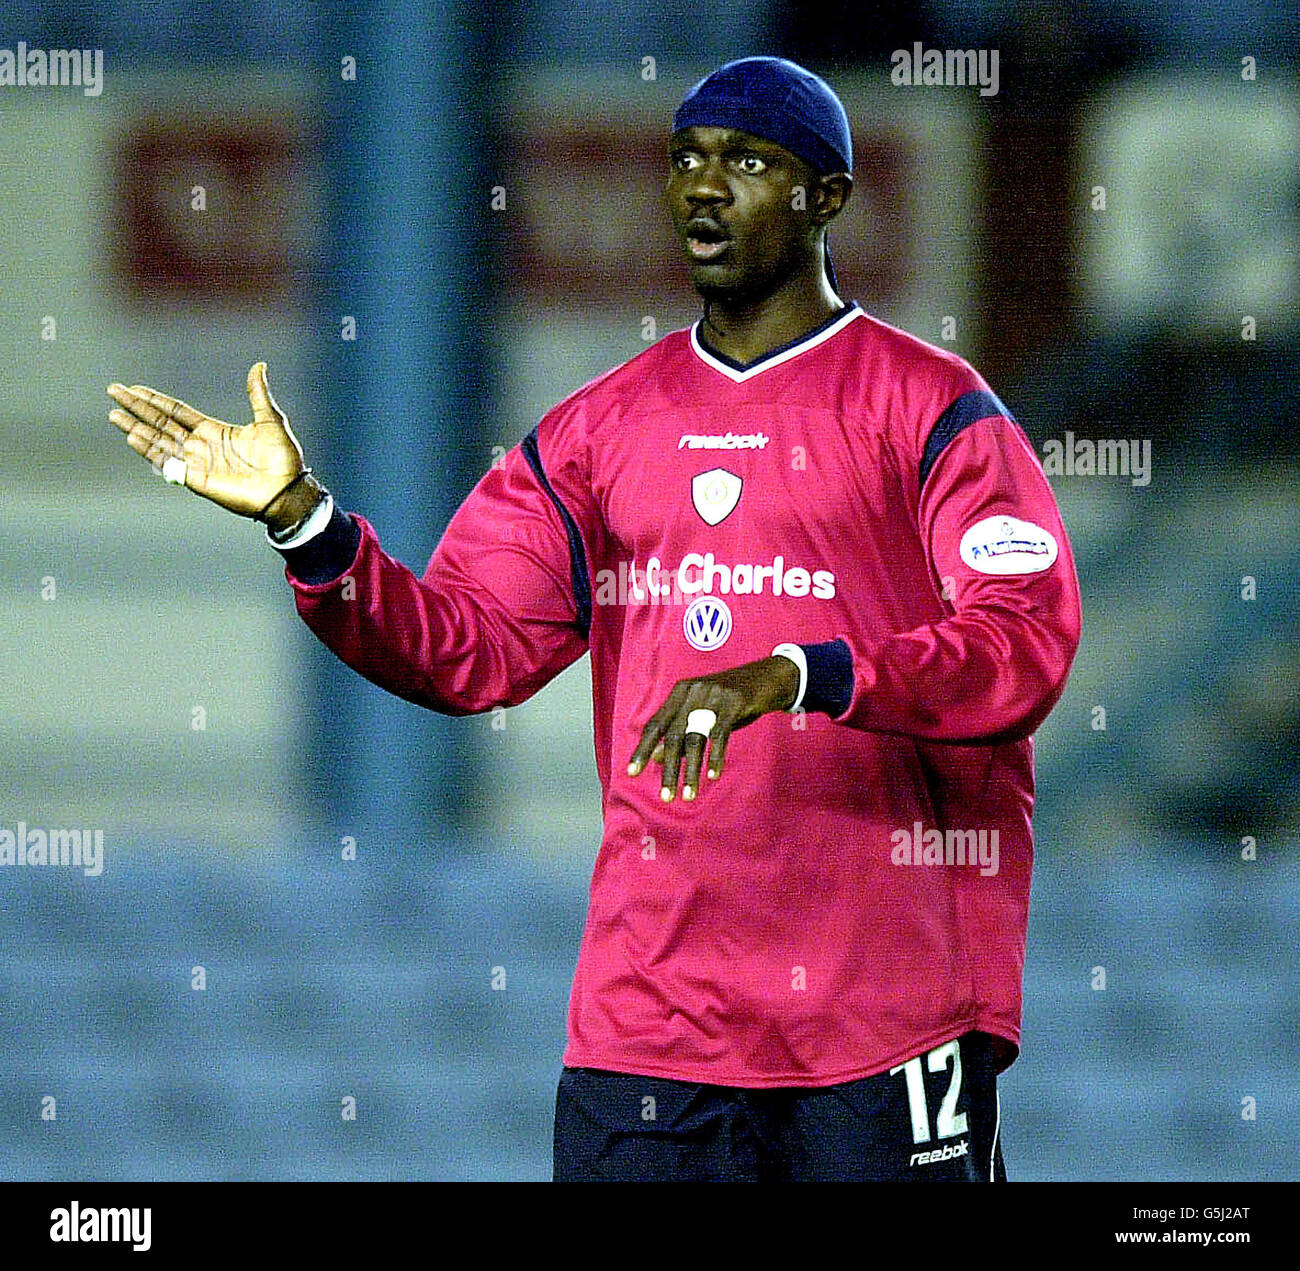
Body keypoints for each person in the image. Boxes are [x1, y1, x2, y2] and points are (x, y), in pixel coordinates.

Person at [106, 56, 1081, 1182]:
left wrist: (796, 672)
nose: (704, 189)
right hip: (651, 1026)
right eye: (685, 161)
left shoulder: (931, 406)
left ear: (827, 198)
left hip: (881, 1017)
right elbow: (463, 647)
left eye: (748, 163)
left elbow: (1022, 644)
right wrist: (302, 519)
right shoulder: (598, 429)